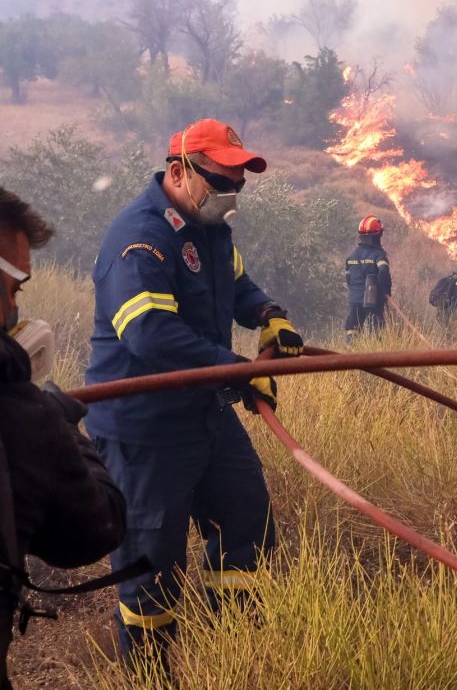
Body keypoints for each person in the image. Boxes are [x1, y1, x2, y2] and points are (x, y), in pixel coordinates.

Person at [83, 119, 304, 668]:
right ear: (179, 171)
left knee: (245, 519)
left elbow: (237, 284)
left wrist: (268, 314)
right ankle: (151, 674)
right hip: (144, 429)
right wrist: (238, 370)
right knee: (150, 567)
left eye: (238, 183)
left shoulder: (211, 227)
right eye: (221, 181)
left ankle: (231, 649)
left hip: (204, 413)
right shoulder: (140, 238)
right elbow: (149, 334)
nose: (231, 193)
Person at [0, 189, 126, 688]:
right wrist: (63, 427)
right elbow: (96, 528)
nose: (14, 310)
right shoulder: (20, 418)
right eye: (13, 289)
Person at [343, 215, 393, 343]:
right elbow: (383, 272)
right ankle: (374, 351)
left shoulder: (351, 256)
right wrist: (385, 292)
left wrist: (355, 291)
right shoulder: (379, 255)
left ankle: (349, 352)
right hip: (373, 300)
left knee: (352, 330)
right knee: (376, 331)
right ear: (377, 235)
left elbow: (348, 279)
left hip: (355, 299)